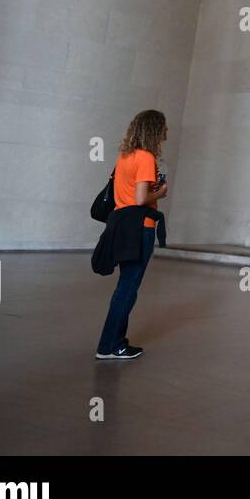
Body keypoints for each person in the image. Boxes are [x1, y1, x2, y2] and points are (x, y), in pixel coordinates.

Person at [95, 109, 169, 360]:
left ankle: (114, 342)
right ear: (154, 130)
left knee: (125, 285)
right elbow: (140, 199)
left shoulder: (125, 156)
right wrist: (160, 193)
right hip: (139, 227)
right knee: (128, 287)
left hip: (121, 224)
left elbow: (124, 194)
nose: (166, 133)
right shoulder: (147, 158)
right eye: (164, 128)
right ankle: (110, 345)